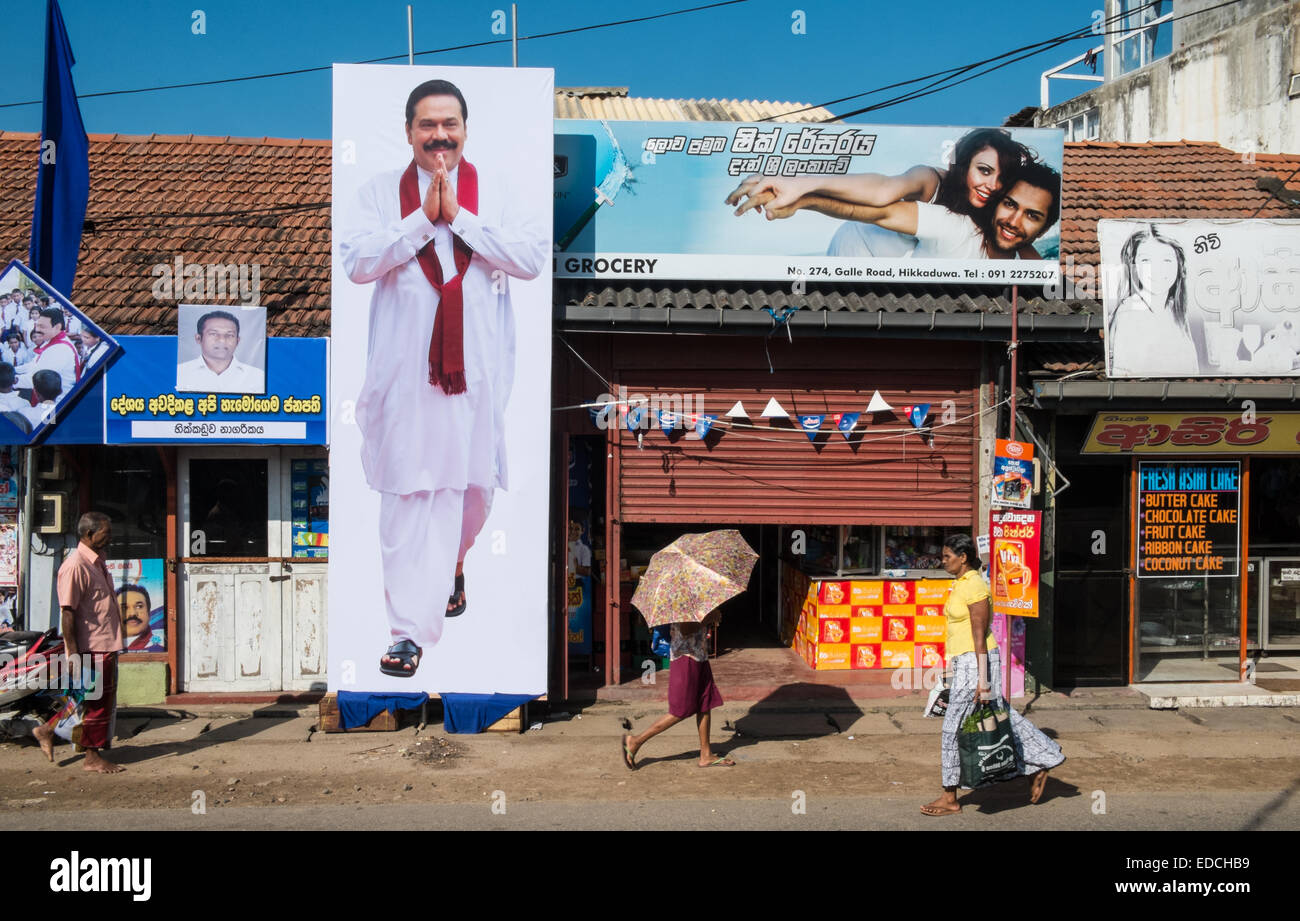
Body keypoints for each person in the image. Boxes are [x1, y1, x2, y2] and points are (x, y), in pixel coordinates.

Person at [340, 78, 547, 678]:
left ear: (464, 130)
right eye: (427, 125)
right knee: (408, 495)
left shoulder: (498, 192)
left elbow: (531, 259)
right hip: (403, 379)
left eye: (449, 124)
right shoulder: (379, 193)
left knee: (473, 490)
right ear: (408, 131)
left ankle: (453, 562)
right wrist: (418, 222)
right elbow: (356, 262)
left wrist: (460, 219)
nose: (439, 136)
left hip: (477, 378)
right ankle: (407, 632)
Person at [920, 534, 1063, 816]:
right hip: (965, 661)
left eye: (948, 556)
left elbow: (978, 633)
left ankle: (950, 797)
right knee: (1001, 716)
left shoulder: (974, 585)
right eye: (943, 556)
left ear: (963, 558)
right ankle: (1046, 758)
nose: (943, 560)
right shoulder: (961, 583)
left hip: (977, 660)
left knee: (952, 728)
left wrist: (982, 679)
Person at [727, 128, 1030, 258]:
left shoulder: (997, 211)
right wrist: (799, 187)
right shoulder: (931, 180)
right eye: (984, 171)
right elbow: (883, 191)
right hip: (856, 249)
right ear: (963, 165)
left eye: (1002, 178)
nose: (992, 186)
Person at [730, 156, 1060, 262]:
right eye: (1010, 206)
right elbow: (879, 207)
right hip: (857, 253)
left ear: (1045, 228)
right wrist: (801, 197)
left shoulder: (1029, 264)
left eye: (1032, 216)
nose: (1014, 221)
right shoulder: (954, 223)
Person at [32, 511, 126, 774]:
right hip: (92, 647)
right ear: (89, 534)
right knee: (96, 703)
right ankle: (92, 758)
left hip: (104, 643)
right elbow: (67, 612)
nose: (110, 538)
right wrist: (72, 652)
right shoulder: (75, 566)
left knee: (82, 699)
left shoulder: (97, 561)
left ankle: (46, 730)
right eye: (105, 534)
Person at [621, 612, 735, 769]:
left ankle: (706, 755)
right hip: (686, 659)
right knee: (680, 711)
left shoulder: (694, 597)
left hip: (699, 656)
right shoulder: (682, 599)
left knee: (704, 704)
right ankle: (636, 741)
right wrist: (710, 617)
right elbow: (686, 628)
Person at [1107, 225, 1198, 376]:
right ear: (1134, 266)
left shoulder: (1176, 312)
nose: (1157, 269)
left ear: (1179, 264)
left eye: (1167, 260)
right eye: (1146, 259)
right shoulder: (1129, 313)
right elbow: (1124, 379)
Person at [176, 310, 263, 393]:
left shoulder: (257, 376)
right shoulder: (181, 372)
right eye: (213, 334)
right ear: (198, 338)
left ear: (237, 341)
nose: (222, 340)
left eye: (229, 335)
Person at [17, 307, 79, 395]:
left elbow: (39, 380)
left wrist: (12, 380)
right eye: (37, 325)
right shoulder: (51, 341)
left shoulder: (59, 349)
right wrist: (13, 370)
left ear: (57, 327)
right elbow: (34, 364)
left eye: (42, 326)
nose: (37, 330)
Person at [117, 583, 165, 651]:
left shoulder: (160, 647)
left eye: (139, 606)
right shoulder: (104, 646)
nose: (132, 613)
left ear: (148, 612)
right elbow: (99, 661)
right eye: (124, 608)